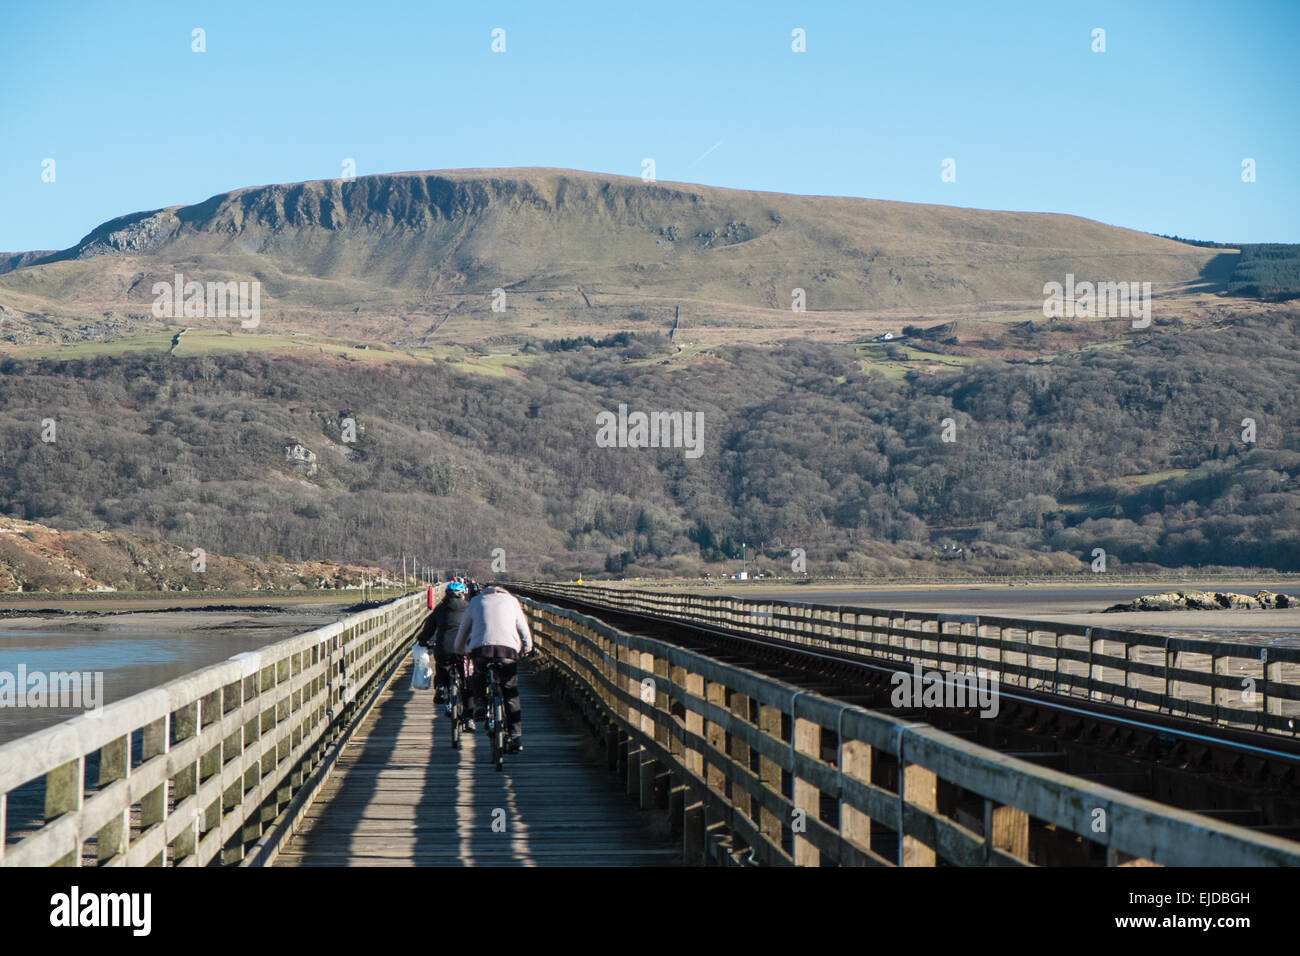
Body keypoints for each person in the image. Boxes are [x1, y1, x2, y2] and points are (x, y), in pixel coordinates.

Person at [453, 582, 533, 753]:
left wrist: (459, 650)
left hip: (482, 651)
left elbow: (463, 630)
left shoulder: (475, 601)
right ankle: (516, 737)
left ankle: (480, 705)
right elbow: (524, 630)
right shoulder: (512, 601)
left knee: (478, 676)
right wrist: (527, 649)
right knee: (510, 692)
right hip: (508, 652)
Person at [422, 581, 475, 729]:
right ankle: (469, 718)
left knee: (442, 665)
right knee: (466, 682)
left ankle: (440, 686)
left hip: (443, 648)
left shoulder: (440, 609)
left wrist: (422, 641)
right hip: (464, 649)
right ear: (463, 595)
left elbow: (428, 628)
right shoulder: (469, 608)